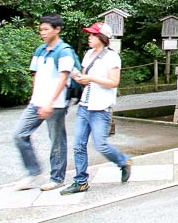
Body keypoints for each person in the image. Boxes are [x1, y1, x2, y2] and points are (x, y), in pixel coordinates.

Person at [61, 22, 132, 194]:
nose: (89, 38)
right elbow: (86, 75)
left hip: (101, 107)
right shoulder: (88, 54)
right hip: (85, 105)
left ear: (102, 38)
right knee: (78, 144)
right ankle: (80, 181)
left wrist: (92, 79)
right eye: (89, 35)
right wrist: (78, 77)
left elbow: (114, 82)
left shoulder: (113, 58)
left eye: (93, 35)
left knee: (101, 144)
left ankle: (123, 161)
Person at [13, 13, 77, 191]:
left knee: (56, 140)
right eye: (41, 29)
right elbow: (36, 75)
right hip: (37, 102)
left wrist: (50, 102)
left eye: (46, 29)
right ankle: (33, 171)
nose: (42, 32)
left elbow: (63, 78)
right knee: (19, 134)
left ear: (57, 30)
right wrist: (35, 97)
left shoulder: (64, 51)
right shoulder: (40, 50)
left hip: (55, 104)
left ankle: (57, 178)